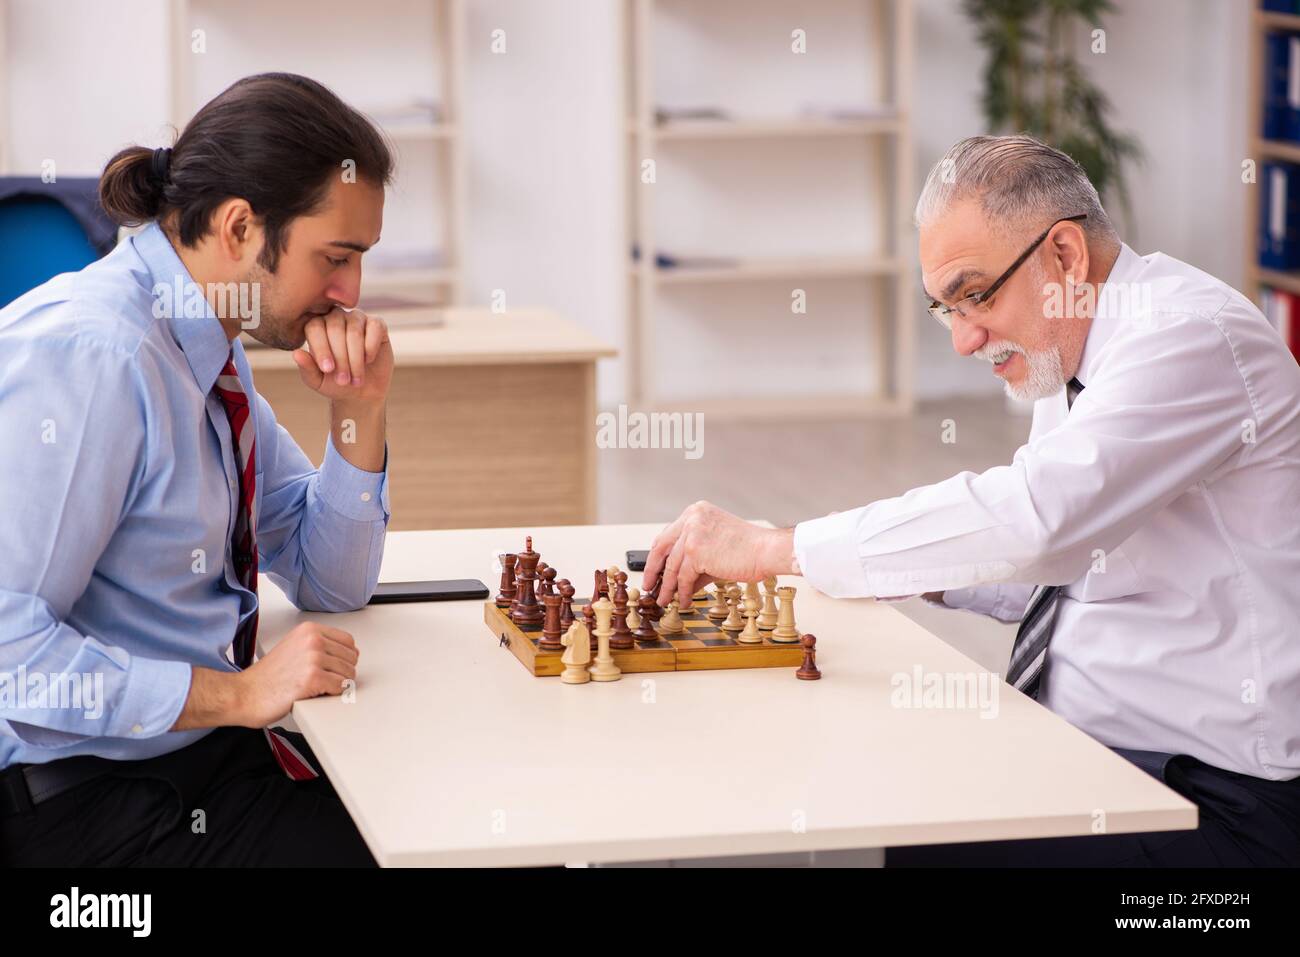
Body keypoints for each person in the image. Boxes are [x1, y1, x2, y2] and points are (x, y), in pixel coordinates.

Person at [642, 135, 1300, 867]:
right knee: (869, 785)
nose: (963, 339)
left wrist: (777, 548)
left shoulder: (1190, 337)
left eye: (975, 294)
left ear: (1065, 257)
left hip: (1222, 814)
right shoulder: (1073, 355)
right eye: (944, 307)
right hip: (1094, 761)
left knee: (916, 840)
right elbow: (1042, 572)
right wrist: (872, 562)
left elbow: (1034, 523)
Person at [0, 73, 394, 866]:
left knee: (427, 805)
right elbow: (10, 660)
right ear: (242, 227)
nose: (352, 293)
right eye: (337, 257)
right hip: (87, 808)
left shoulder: (207, 346)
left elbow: (329, 581)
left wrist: (359, 409)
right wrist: (241, 694)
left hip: (198, 761)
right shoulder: (96, 355)